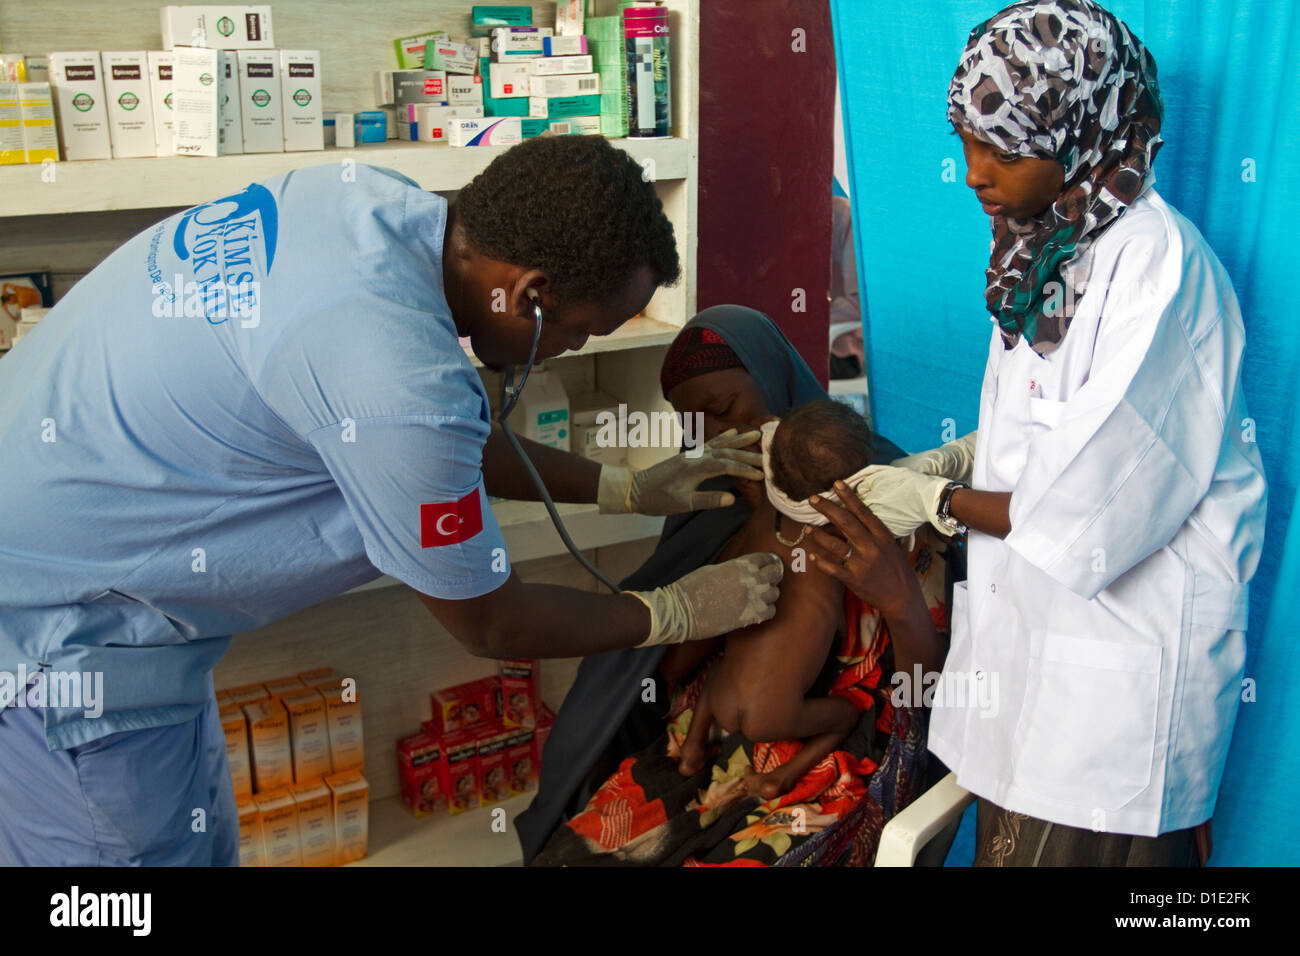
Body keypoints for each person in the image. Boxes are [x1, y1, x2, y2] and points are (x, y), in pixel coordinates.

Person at [0, 136, 783, 866]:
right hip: (60, 648)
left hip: (112, 599)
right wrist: (674, 610)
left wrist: (623, 488)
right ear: (531, 294)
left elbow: (443, 434)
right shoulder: (389, 368)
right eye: (583, 331)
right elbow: (492, 620)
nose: (577, 348)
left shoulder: (371, 213)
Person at [807, 0, 1267, 865]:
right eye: (968, 142)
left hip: (1120, 688)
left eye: (1005, 150)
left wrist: (936, 500)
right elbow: (1040, 438)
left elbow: (1092, 501)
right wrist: (960, 461)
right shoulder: (1045, 252)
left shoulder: (1158, 269)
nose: (975, 173)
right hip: (1033, 662)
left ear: (1085, 137)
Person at [517, 306, 951, 866]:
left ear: (771, 379)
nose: (720, 435)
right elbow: (665, 678)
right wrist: (725, 566)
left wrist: (900, 604)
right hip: (714, 750)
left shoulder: (884, 500)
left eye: (724, 409)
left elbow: (925, 699)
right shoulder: (713, 502)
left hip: (842, 765)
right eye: (695, 426)